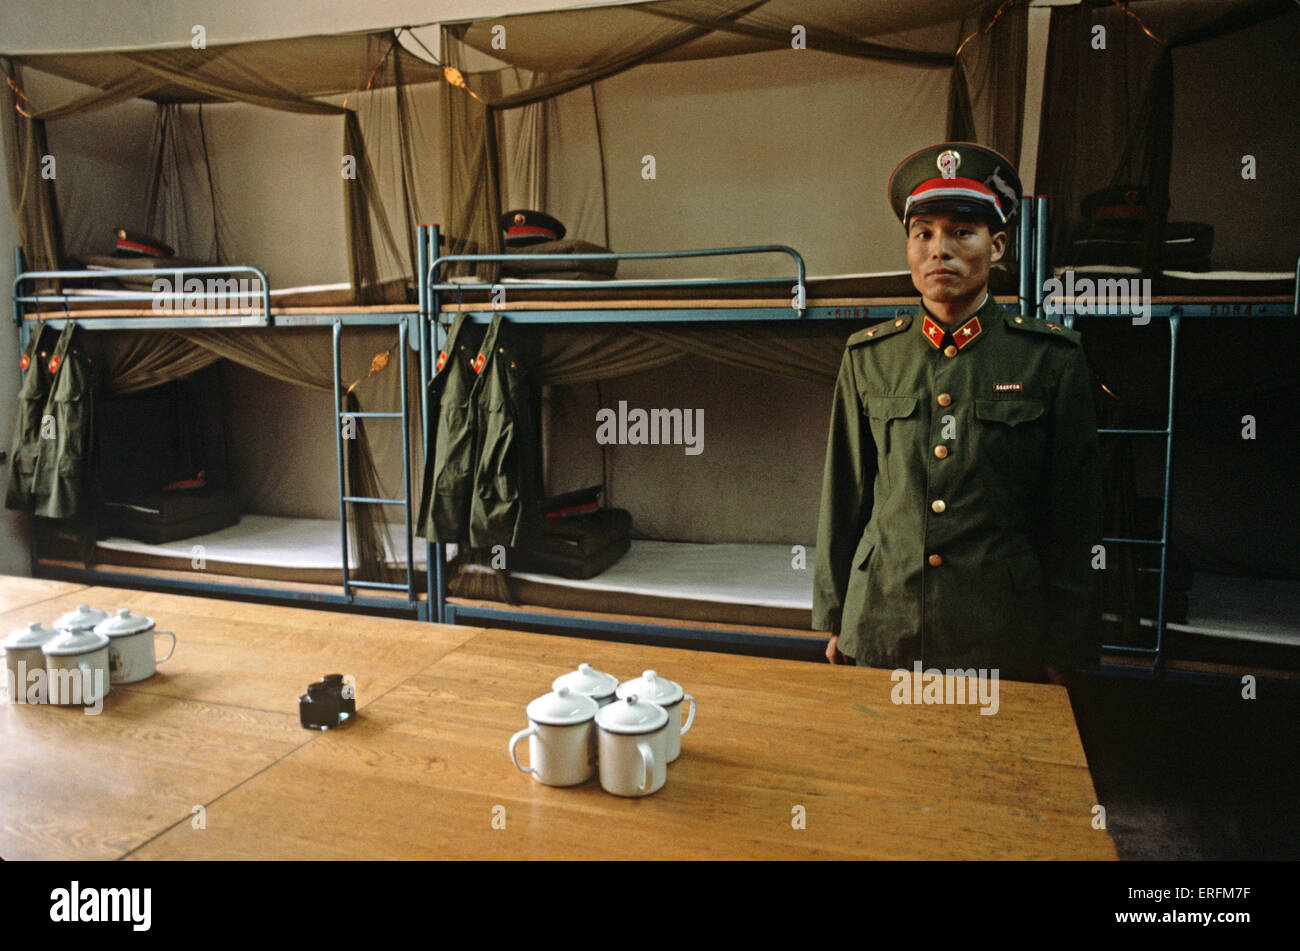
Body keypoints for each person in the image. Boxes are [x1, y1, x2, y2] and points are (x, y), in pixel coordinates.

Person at [811, 142, 1103, 685]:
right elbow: (845, 492)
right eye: (923, 233)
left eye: (961, 232)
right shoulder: (869, 356)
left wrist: (1066, 640)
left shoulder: (1049, 358)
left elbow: (1073, 513)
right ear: (908, 248)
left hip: (1000, 629)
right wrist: (836, 617)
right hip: (883, 618)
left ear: (995, 248)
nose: (938, 249)